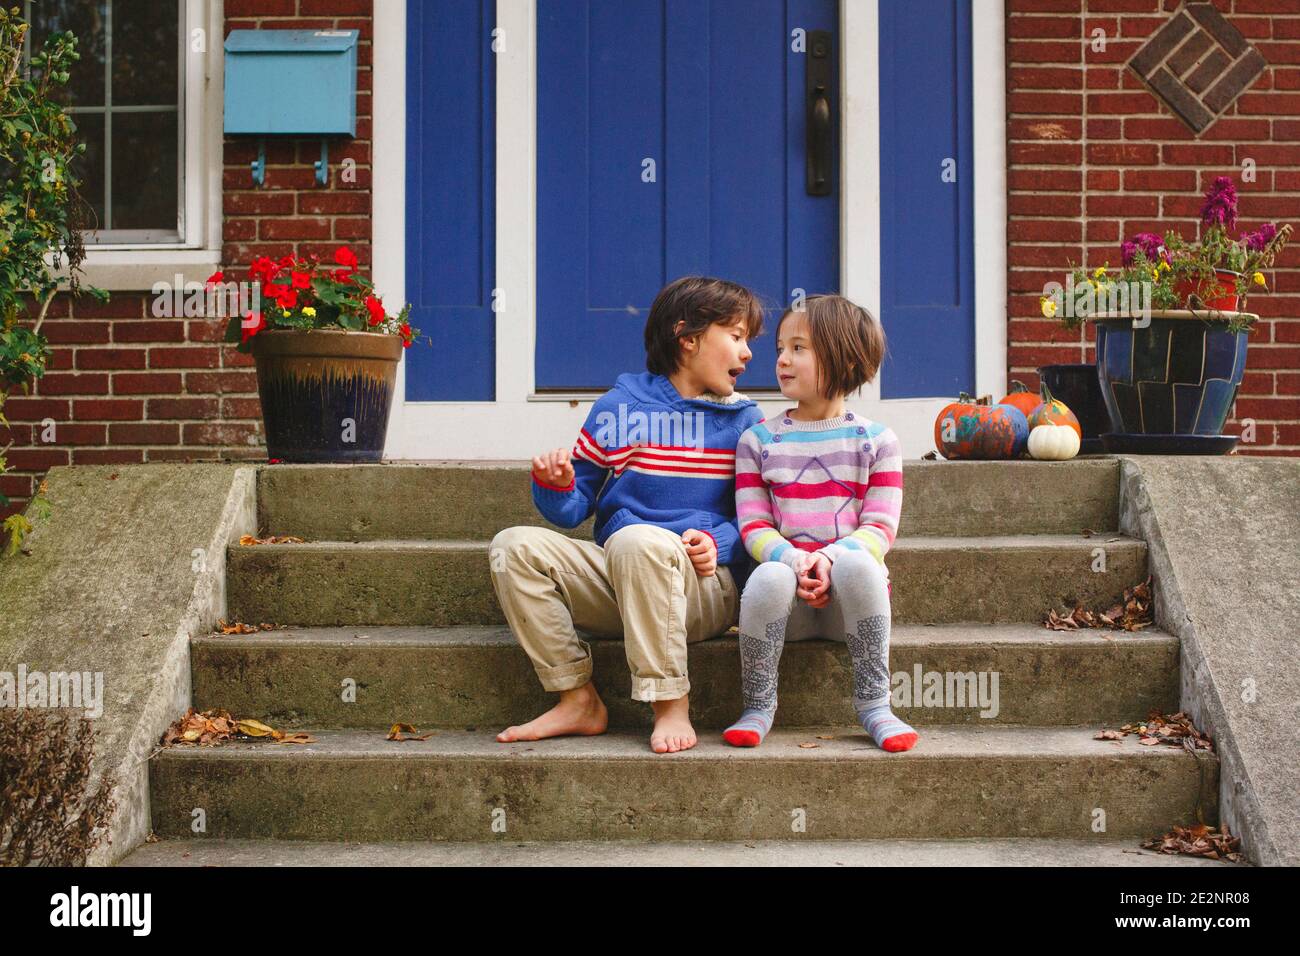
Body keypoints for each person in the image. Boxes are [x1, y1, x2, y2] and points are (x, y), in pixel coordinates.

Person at [489, 276, 766, 753]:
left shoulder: (746, 423)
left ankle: (670, 701)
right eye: (737, 336)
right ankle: (577, 699)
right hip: (622, 577)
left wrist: (718, 542)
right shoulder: (617, 409)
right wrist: (555, 486)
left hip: (701, 588)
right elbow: (575, 508)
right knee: (512, 547)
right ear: (689, 337)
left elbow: (761, 520)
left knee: (639, 540)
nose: (748, 353)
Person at [724, 294, 917, 752]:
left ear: (842, 356)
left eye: (799, 348)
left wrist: (829, 559)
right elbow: (753, 527)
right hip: (783, 607)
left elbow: (879, 529)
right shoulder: (758, 441)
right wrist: (793, 561)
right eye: (780, 349)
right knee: (767, 573)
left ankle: (875, 704)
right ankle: (757, 705)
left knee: (858, 565)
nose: (782, 360)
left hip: (846, 609)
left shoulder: (876, 441)